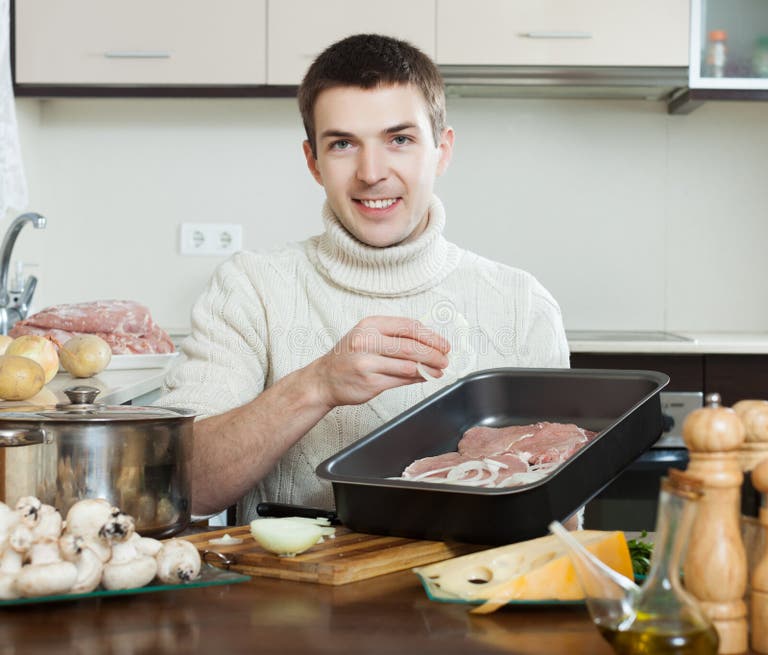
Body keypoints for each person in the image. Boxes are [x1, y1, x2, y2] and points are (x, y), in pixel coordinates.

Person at [157, 34, 570, 522]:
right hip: (290, 592)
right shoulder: (249, 287)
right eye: (343, 144)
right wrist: (317, 385)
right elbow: (184, 490)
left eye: (399, 139)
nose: (372, 173)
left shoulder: (520, 303)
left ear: (442, 150)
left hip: (470, 590)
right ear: (313, 162)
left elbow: (557, 513)